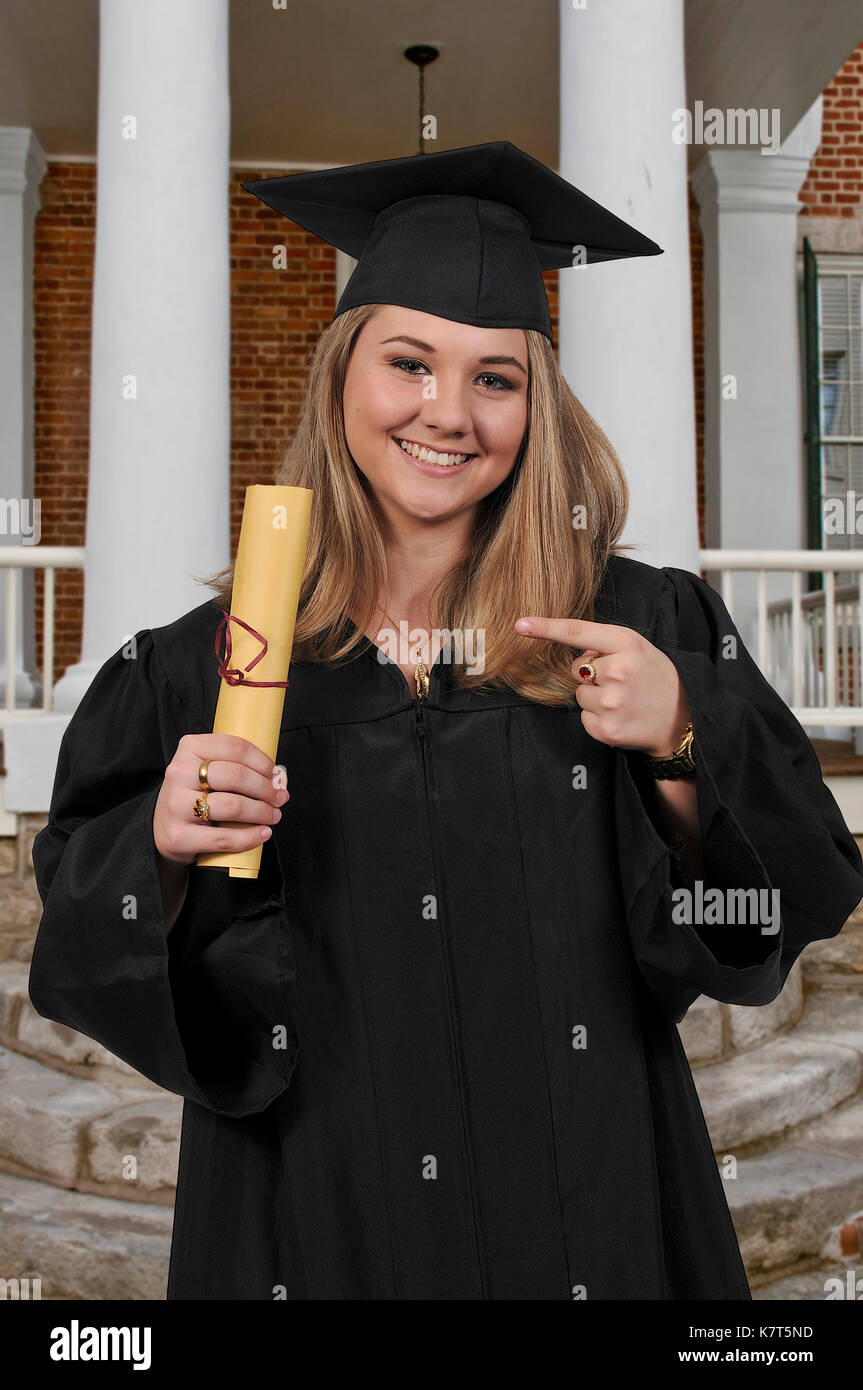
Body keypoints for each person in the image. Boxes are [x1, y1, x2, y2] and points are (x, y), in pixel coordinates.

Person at [29, 142, 863, 1301]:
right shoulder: (202, 669)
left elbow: (785, 903)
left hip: (592, 1201)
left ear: (535, 404)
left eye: (494, 378)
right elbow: (76, 936)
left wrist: (679, 742)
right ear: (340, 380)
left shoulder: (634, 623)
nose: (447, 413)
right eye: (408, 363)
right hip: (314, 1215)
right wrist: (160, 853)